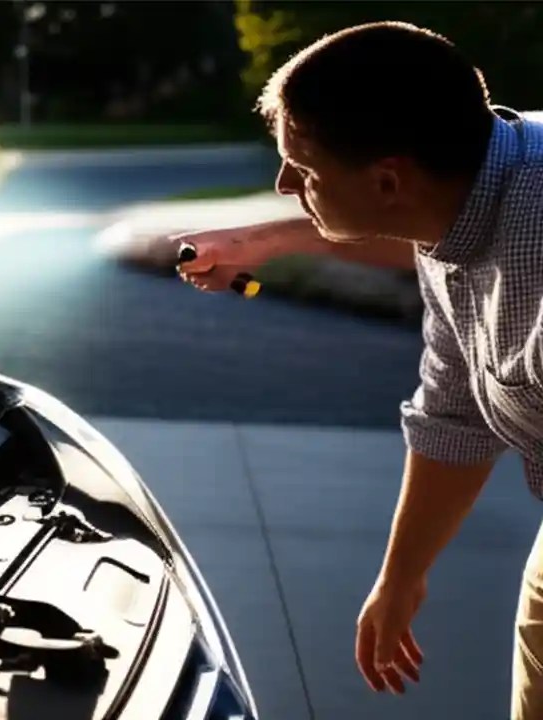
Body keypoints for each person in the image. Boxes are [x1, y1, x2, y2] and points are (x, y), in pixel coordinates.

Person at [174, 21, 543, 718]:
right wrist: (401, 578)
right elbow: (454, 408)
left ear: (387, 178)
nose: (285, 186)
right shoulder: (465, 194)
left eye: (304, 171)